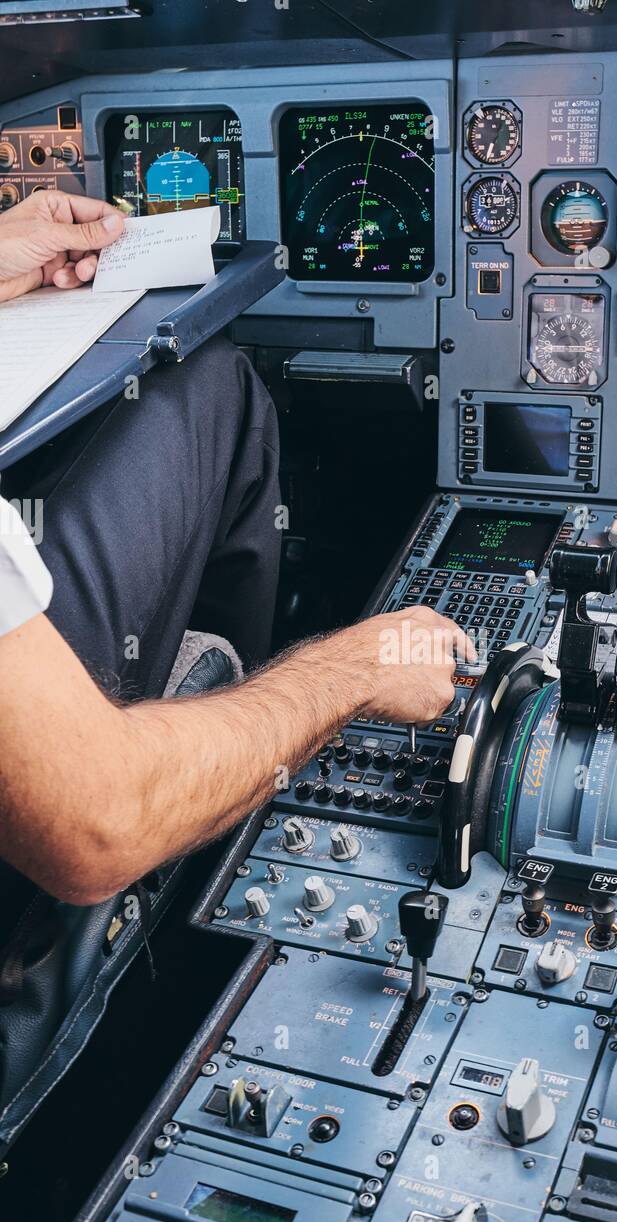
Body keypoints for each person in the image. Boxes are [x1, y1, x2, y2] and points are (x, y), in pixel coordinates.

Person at [0, 190, 471, 910]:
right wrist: (350, 671)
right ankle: (211, 811)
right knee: (205, 379)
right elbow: (96, 826)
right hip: (41, 883)